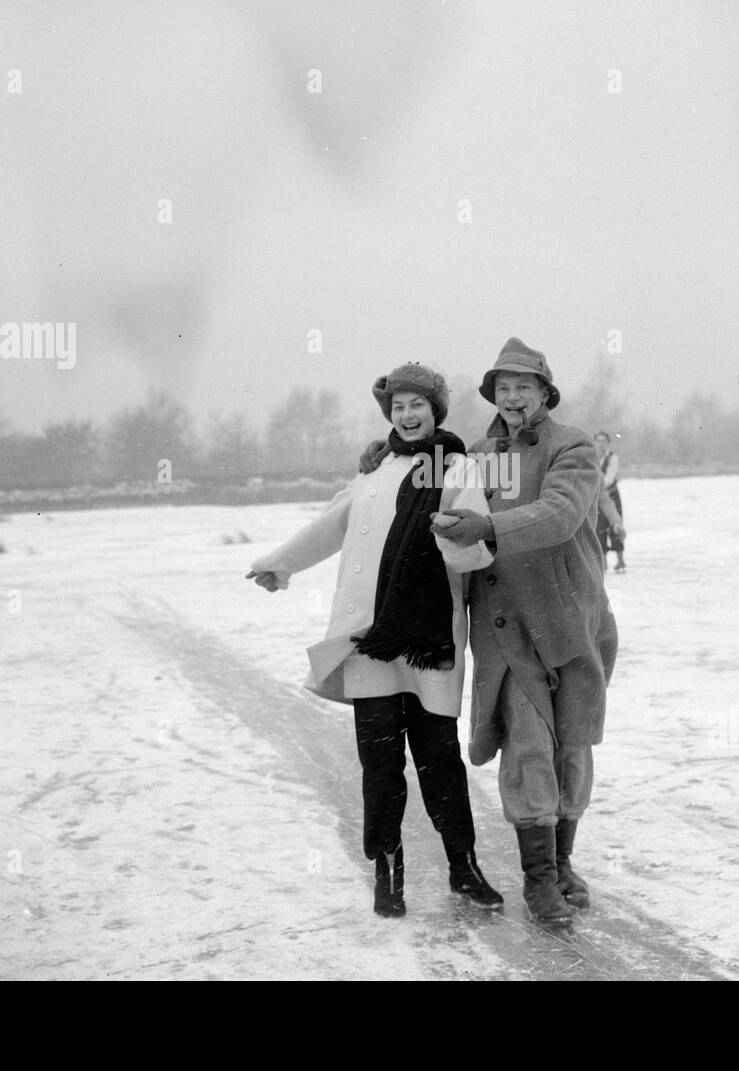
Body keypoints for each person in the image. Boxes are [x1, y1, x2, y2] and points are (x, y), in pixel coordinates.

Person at [246, 363, 503, 918]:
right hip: (369, 639)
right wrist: (279, 564)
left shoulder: (457, 466)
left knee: (439, 762)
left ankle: (463, 866)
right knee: (380, 765)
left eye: (418, 404)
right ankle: (388, 871)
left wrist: (457, 539)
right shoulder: (374, 470)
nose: (408, 415)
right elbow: (331, 524)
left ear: (436, 409)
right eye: (399, 407)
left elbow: (474, 544)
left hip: (428, 645)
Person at [432, 339, 618, 925]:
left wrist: (487, 526)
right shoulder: (480, 455)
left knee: (572, 743)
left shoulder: (574, 446)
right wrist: (380, 460)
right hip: (504, 624)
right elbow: (424, 483)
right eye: (502, 388)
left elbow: (562, 514)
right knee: (529, 747)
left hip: (571, 620)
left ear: (544, 393)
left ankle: (563, 863)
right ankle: (539, 880)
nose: (512, 397)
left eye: (523, 387)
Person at [593, 431, 627, 572]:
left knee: (616, 527)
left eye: (603, 441)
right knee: (599, 528)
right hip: (597, 495)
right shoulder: (591, 458)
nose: (601, 443)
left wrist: (597, 483)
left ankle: (620, 560)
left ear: (608, 443)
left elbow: (609, 479)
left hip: (611, 495)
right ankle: (603, 561)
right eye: (598, 440)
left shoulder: (612, 458)